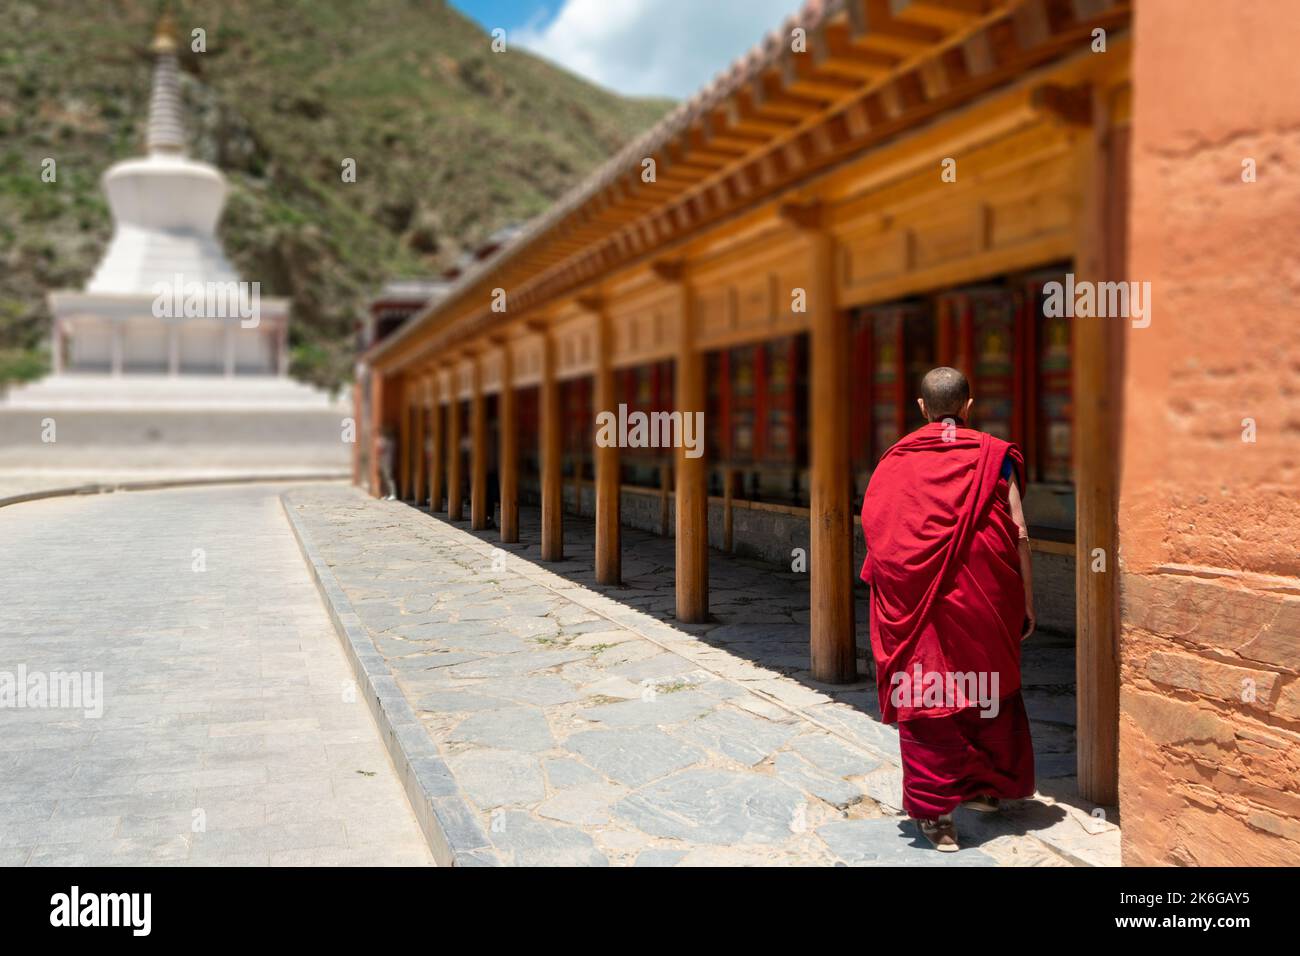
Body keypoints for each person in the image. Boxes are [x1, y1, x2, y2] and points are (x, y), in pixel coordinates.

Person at [859, 366, 1036, 852]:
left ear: (921, 409)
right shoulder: (993, 456)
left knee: (927, 687)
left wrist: (901, 585)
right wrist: (1026, 601)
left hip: (916, 600)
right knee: (985, 683)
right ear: (969, 405)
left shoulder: (896, 459)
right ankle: (982, 788)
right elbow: (1018, 529)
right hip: (983, 595)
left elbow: (879, 531)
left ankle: (937, 816)